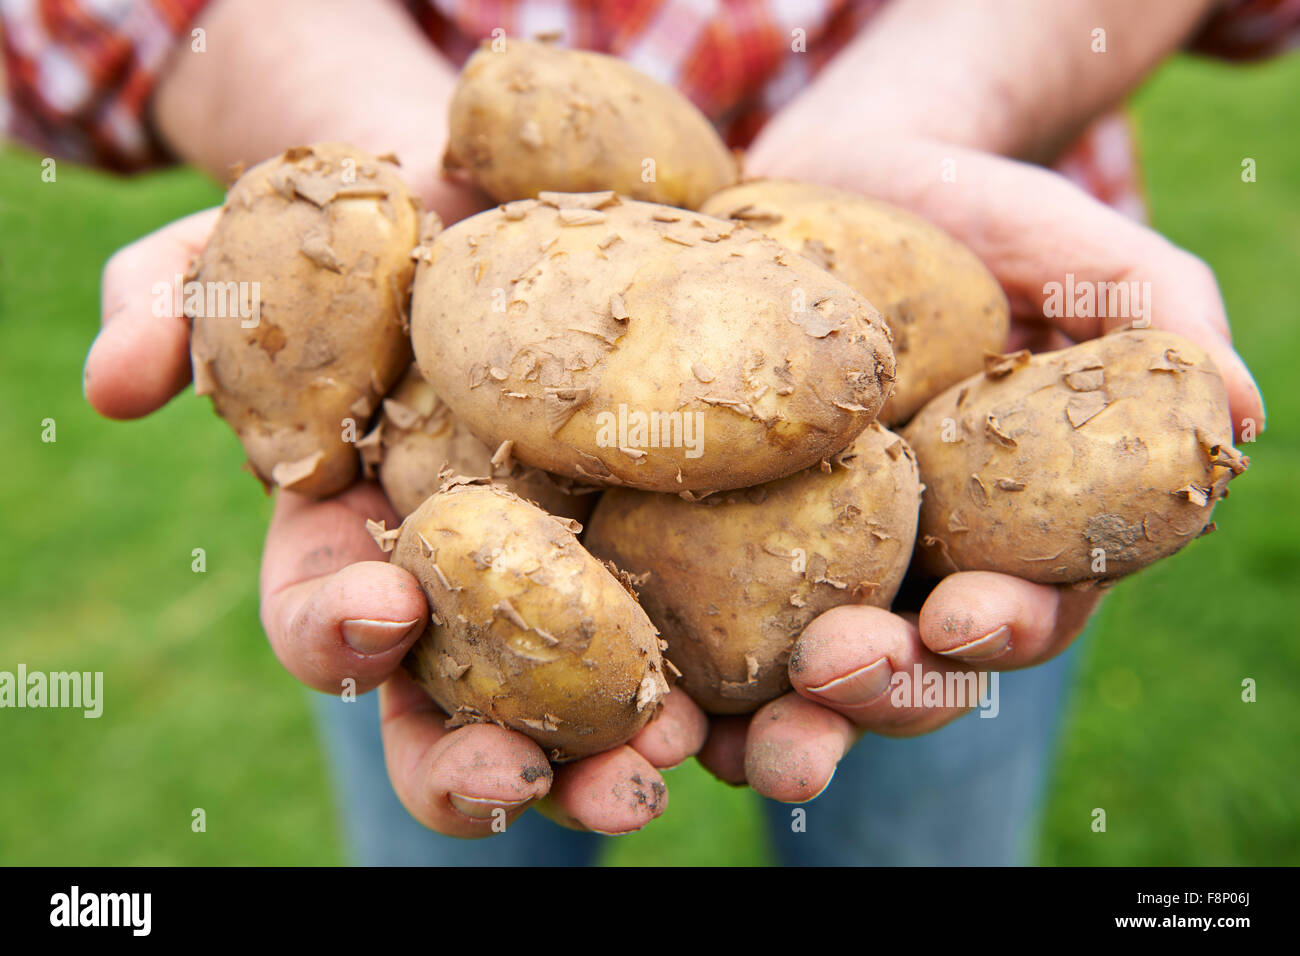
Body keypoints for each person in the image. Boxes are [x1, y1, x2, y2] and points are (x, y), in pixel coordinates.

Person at [5, 0, 1284, 863]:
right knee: (442, 739)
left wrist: (933, 130)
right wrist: (377, 156)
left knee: (922, 811)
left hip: (953, 405)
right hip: (417, 552)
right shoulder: (462, 331)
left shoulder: (848, 350)